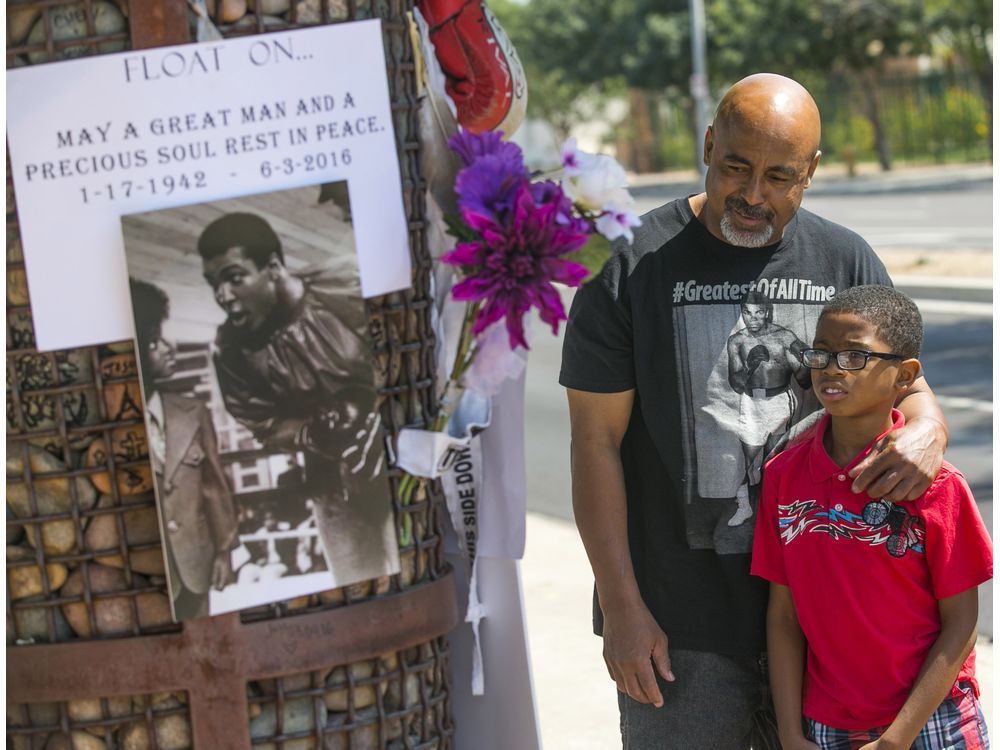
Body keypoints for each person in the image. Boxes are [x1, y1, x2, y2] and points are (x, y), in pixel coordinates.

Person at [559, 73, 950, 749]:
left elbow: (907, 387)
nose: (752, 194)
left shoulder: (844, 258)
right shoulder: (630, 266)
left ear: (812, 171)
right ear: (709, 145)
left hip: (830, 622)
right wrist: (621, 609)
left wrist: (929, 427)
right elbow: (594, 443)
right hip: (681, 635)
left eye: (780, 176)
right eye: (736, 167)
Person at [752, 286, 991, 749]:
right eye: (820, 353)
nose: (831, 369)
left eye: (855, 356)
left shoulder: (938, 486)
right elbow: (783, 617)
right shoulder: (782, 477)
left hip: (933, 720)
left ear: (905, 375)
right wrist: (789, 732)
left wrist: (896, 740)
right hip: (826, 723)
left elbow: (962, 625)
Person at [197, 212, 399, 585]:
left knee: (420, 575)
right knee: (361, 593)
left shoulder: (349, 285)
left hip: (399, 466)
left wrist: (384, 413)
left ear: (273, 267)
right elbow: (262, 422)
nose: (222, 297)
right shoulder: (231, 351)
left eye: (234, 278)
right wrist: (311, 434)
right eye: (214, 284)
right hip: (330, 488)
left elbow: (408, 349)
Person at [129, 277, 239, 620]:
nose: (168, 347)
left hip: (196, 570)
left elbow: (215, 486)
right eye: (152, 343)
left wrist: (223, 552)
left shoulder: (194, 412)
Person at [726, 290, 811, 526]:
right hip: (751, 402)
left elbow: (805, 379)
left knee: (775, 457)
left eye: (758, 312)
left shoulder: (783, 336)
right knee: (747, 458)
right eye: (747, 313)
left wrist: (804, 361)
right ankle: (744, 507)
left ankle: (772, 509)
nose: (752, 318)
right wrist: (751, 365)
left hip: (779, 400)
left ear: (767, 312)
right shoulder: (737, 341)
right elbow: (735, 384)